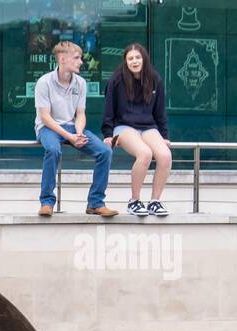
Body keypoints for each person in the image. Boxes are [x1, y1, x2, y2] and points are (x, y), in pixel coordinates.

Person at [34, 41, 115, 218]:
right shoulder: (44, 82)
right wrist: (69, 137)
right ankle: (47, 202)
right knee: (53, 149)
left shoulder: (80, 83)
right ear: (62, 59)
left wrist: (78, 132)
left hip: (72, 126)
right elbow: (45, 117)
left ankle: (95, 203)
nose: (81, 62)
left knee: (104, 151)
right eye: (77, 58)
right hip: (49, 127)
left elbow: (80, 114)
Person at [102, 42, 172, 216]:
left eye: (138, 57)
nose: (134, 61)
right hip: (123, 126)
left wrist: (164, 135)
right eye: (130, 58)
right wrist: (108, 134)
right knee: (145, 153)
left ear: (144, 59)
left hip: (148, 127)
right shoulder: (116, 80)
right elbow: (109, 109)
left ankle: (155, 202)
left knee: (165, 155)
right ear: (125, 61)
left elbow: (160, 111)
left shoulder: (155, 79)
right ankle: (134, 201)